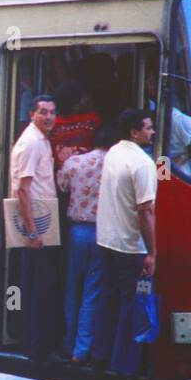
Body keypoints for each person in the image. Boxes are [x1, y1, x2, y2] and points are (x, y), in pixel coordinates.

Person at [93, 108, 158, 376]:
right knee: (130, 305)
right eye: (148, 127)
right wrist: (152, 252)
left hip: (106, 239)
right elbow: (146, 211)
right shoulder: (143, 164)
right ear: (134, 131)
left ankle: (100, 356)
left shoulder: (114, 153)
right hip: (131, 245)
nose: (152, 132)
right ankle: (123, 366)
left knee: (106, 300)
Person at [57, 125, 115, 365]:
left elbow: (61, 186)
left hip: (76, 232)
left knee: (72, 288)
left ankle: (68, 343)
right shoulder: (115, 166)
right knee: (93, 292)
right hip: (102, 232)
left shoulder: (75, 162)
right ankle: (82, 350)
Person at [10, 94, 59, 364]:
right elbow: (23, 190)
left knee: (38, 287)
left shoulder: (42, 140)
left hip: (42, 222)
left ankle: (34, 344)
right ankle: (34, 348)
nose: (48, 117)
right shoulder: (31, 143)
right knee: (36, 289)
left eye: (52, 112)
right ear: (32, 114)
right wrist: (32, 232)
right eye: (43, 112)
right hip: (36, 226)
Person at [50, 80, 102, 166]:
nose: (85, 100)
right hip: (86, 175)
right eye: (83, 98)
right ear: (76, 105)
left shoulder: (51, 124)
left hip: (59, 175)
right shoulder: (92, 120)